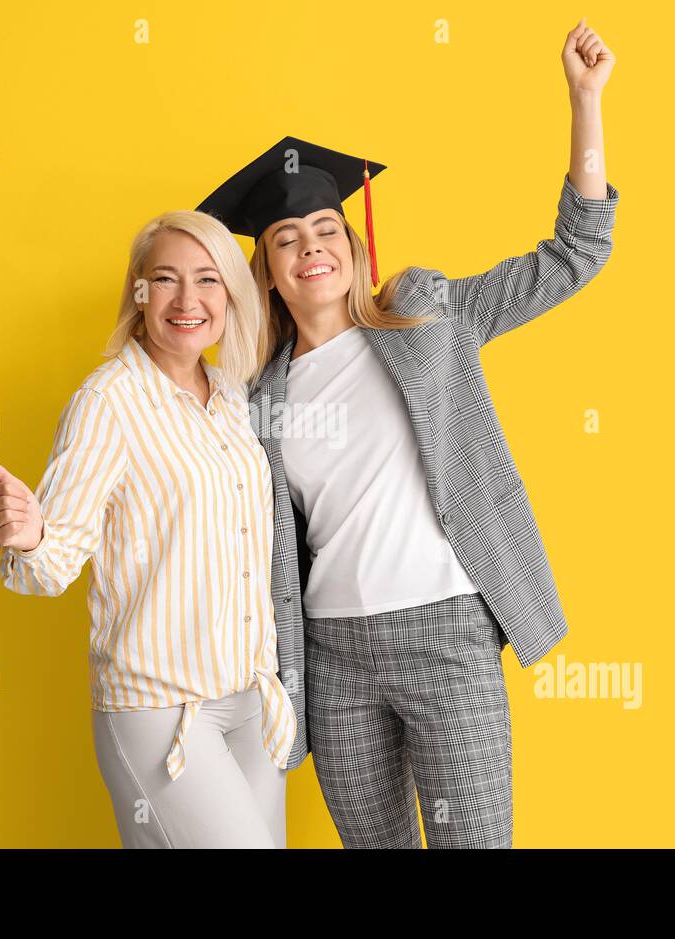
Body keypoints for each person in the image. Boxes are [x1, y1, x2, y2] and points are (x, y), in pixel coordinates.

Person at [193, 18, 619, 847]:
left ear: (352, 244)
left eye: (325, 232)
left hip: (448, 632)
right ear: (268, 269)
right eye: (287, 239)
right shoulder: (257, 397)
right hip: (334, 656)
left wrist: (585, 100)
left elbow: (577, 252)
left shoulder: (427, 315)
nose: (311, 248)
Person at [0, 210, 297, 847]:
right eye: (167, 279)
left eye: (208, 280)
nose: (188, 300)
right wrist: (27, 534)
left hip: (253, 704)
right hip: (161, 709)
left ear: (230, 295)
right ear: (140, 291)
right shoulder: (108, 403)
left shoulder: (234, 398)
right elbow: (54, 561)